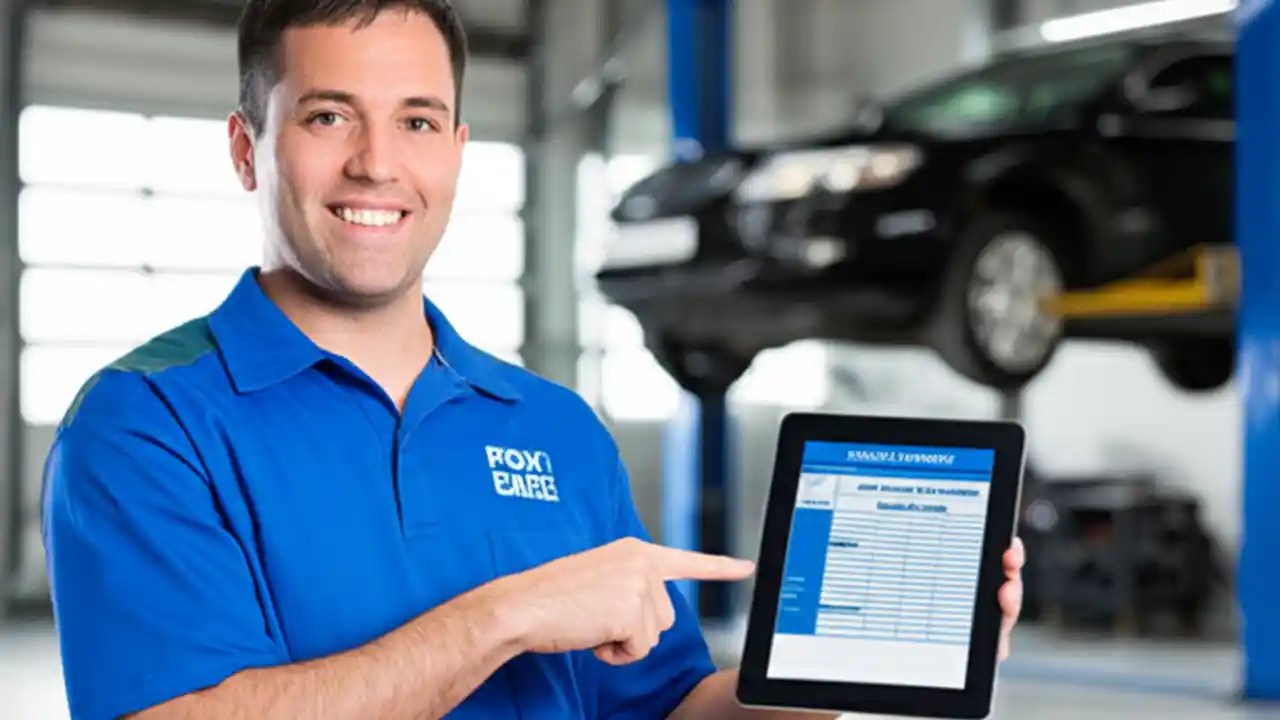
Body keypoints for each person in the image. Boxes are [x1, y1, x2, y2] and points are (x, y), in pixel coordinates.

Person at [41, 1, 1026, 718]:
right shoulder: (146, 424)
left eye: (417, 120)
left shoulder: (551, 428)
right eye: (328, 115)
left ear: (457, 151)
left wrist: (866, 661)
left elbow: (667, 709)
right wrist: (507, 615)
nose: (377, 162)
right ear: (247, 150)